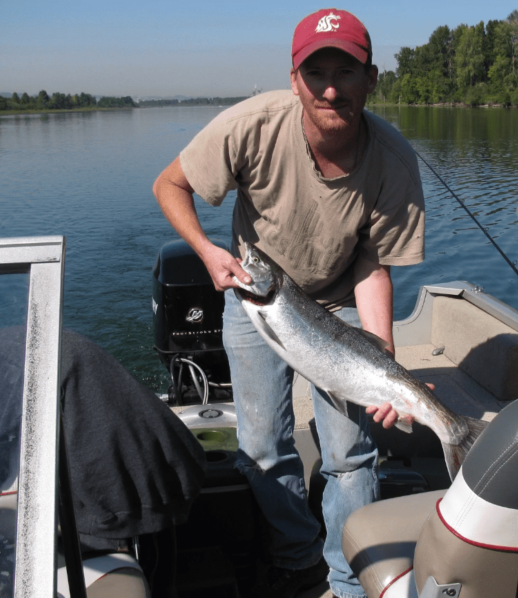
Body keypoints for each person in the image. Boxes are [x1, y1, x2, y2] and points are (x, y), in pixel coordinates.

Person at [152, 8, 425, 598]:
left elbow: (373, 264)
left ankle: (351, 574)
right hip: (259, 295)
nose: (331, 88)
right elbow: (168, 184)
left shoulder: (395, 162)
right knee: (261, 448)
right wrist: (206, 253)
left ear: (371, 79)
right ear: (295, 79)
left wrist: (381, 355)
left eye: (346, 72)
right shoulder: (251, 125)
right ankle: (297, 555)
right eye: (316, 71)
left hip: (339, 299)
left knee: (351, 454)